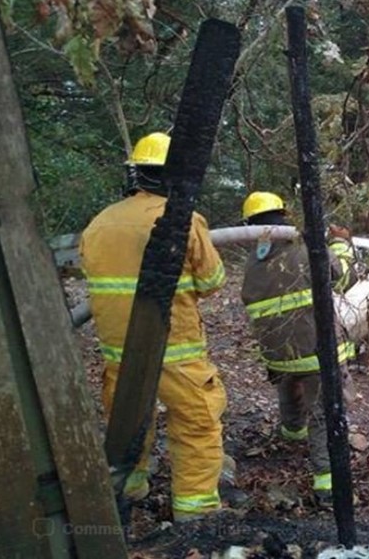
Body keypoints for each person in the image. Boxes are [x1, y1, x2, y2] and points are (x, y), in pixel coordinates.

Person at [79, 132, 230, 522]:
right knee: (197, 423)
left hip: (118, 352)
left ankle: (130, 489)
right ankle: (195, 513)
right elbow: (212, 282)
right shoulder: (183, 219)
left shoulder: (98, 224)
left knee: (128, 421)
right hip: (173, 348)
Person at [238, 191, 357, 505]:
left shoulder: (254, 262)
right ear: (283, 215)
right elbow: (344, 279)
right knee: (325, 411)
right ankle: (328, 484)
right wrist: (341, 245)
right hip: (316, 350)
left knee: (291, 385)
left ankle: (291, 434)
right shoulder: (306, 248)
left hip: (278, 355)